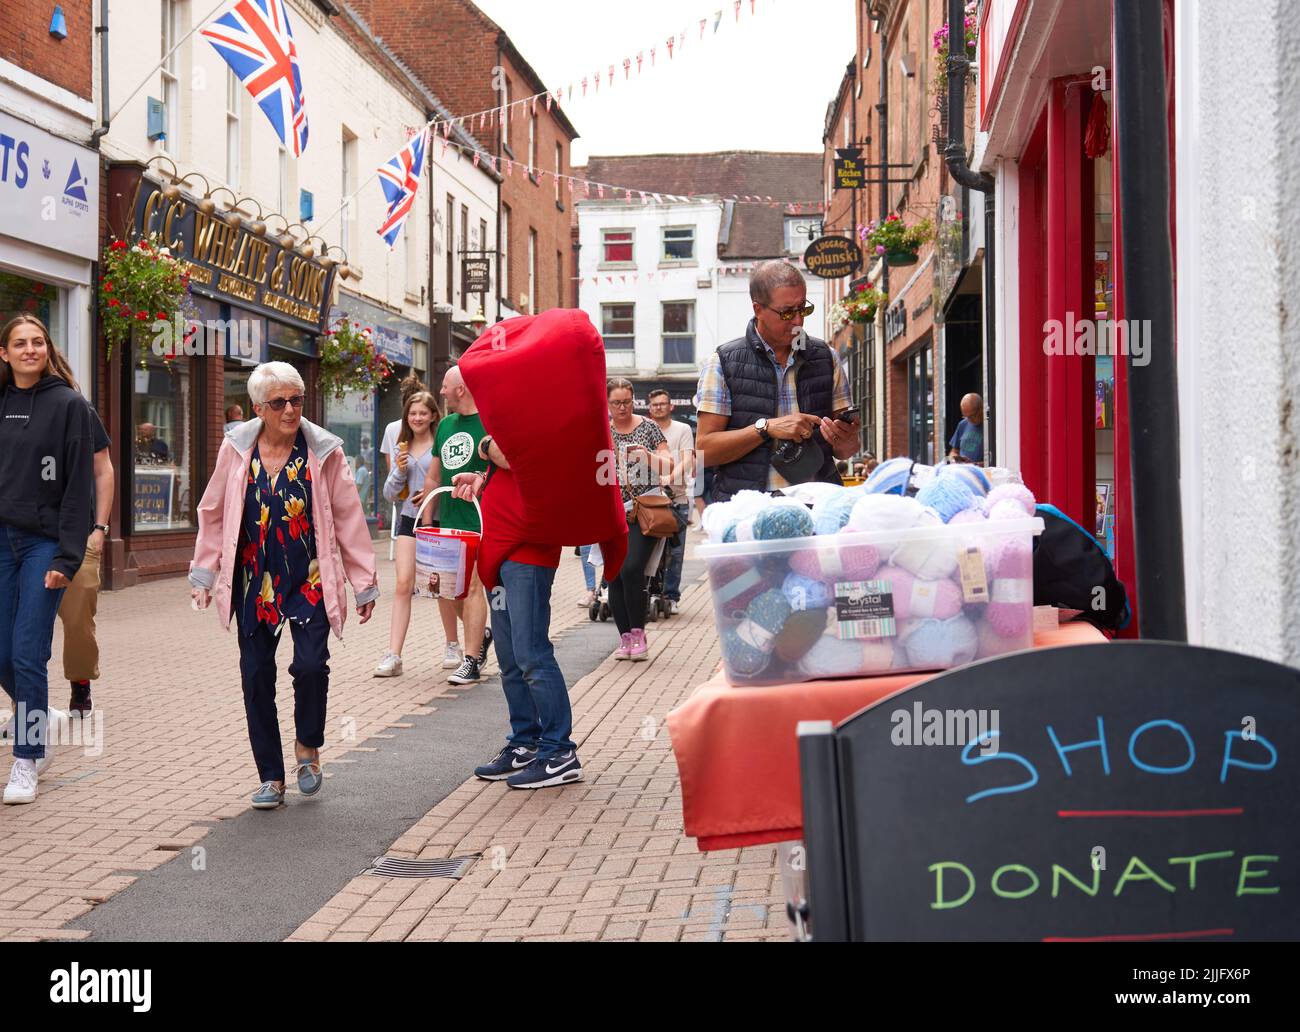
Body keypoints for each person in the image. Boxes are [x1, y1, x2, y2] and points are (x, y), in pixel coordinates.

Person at [189, 361, 378, 810]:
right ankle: (270, 777)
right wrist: (204, 573)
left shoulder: (324, 452)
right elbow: (213, 512)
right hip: (255, 580)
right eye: (279, 403)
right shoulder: (237, 450)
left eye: (296, 400)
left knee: (311, 666)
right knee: (256, 676)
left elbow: (349, 517)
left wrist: (363, 583)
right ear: (259, 408)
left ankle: (308, 749)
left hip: (310, 577)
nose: (290, 410)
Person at [0, 314, 94, 805]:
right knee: (2, 653)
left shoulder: (68, 406)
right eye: (20, 343)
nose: (30, 349)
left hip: (43, 545)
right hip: (1, 542)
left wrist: (68, 554)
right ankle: (40, 713)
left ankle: (26, 758)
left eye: (37, 341)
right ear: (5, 353)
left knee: (27, 651)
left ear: (47, 348)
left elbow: (81, 486)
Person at [695, 260, 859, 501]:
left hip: (817, 506)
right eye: (787, 312)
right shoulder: (722, 362)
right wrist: (766, 428)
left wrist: (847, 439)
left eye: (803, 309)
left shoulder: (826, 357)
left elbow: (845, 451)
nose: (798, 321)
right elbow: (705, 451)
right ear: (757, 309)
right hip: (749, 510)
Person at [432, 365, 491, 685]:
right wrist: (427, 521)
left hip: (480, 522)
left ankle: (471, 660)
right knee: (449, 591)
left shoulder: (490, 422)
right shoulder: (445, 425)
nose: (441, 391)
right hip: (448, 521)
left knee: (471, 588)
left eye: (445, 386)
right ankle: (480, 633)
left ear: (460, 389)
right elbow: (433, 473)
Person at [375, 391, 439, 678]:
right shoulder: (402, 447)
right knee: (403, 585)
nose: (417, 418)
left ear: (433, 416)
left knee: (444, 590)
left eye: (422, 413)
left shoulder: (440, 444)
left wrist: (431, 491)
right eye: (413, 413)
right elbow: (390, 494)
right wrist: (399, 472)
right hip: (407, 520)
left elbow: (446, 481)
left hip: (438, 521)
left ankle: (456, 645)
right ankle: (394, 655)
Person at [607, 379, 673, 660]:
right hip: (609, 512)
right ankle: (624, 638)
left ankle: (638, 633)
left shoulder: (648, 427)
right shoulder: (601, 431)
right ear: (608, 403)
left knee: (632, 569)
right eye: (616, 403)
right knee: (613, 576)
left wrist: (647, 456)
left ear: (634, 400)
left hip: (643, 509)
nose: (622, 408)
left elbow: (669, 465)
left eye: (627, 402)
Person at [56, 399, 114, 716]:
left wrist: (99, 529)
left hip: (79, 538)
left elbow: (103, 468)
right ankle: (23, 702)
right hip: (22, 537)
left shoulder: (79, 409)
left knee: (78, 622)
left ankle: (80, 681)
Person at [647, 389, 693, 615]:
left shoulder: (682, 430)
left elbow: (687, 459)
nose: (659, 407)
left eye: (663, 404)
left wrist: (670, 478)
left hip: (677, 499)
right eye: (655, 405)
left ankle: (671, 596)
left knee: (675, 552)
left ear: (671, 406)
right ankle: (650, 593)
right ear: (649, 408)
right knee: (648, 552)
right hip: (650, 502)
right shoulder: (645, 430)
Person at [948, 393, 985, 464]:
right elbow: (954, 451)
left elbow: (996, 460)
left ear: (981, 409)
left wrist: (975, 464)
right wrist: (955, 458)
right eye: (965, 416)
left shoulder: (990, 426)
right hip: (963, 471)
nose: (969, 420)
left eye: (971, 416)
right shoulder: (963, 424)